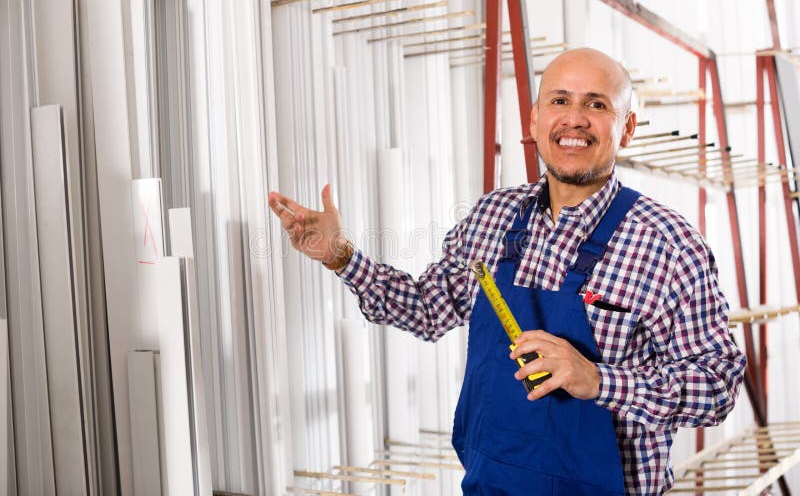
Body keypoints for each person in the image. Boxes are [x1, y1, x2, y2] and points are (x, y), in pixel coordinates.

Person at [268, 48, 746, 495]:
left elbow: (719, 384)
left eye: (596, 104)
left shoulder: (666, 243)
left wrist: (600, 380)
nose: (574, 119)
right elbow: (427, 310)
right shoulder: (493, 217)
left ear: (626, 128)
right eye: (560, 100)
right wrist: (340, 255)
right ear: (535, 118)